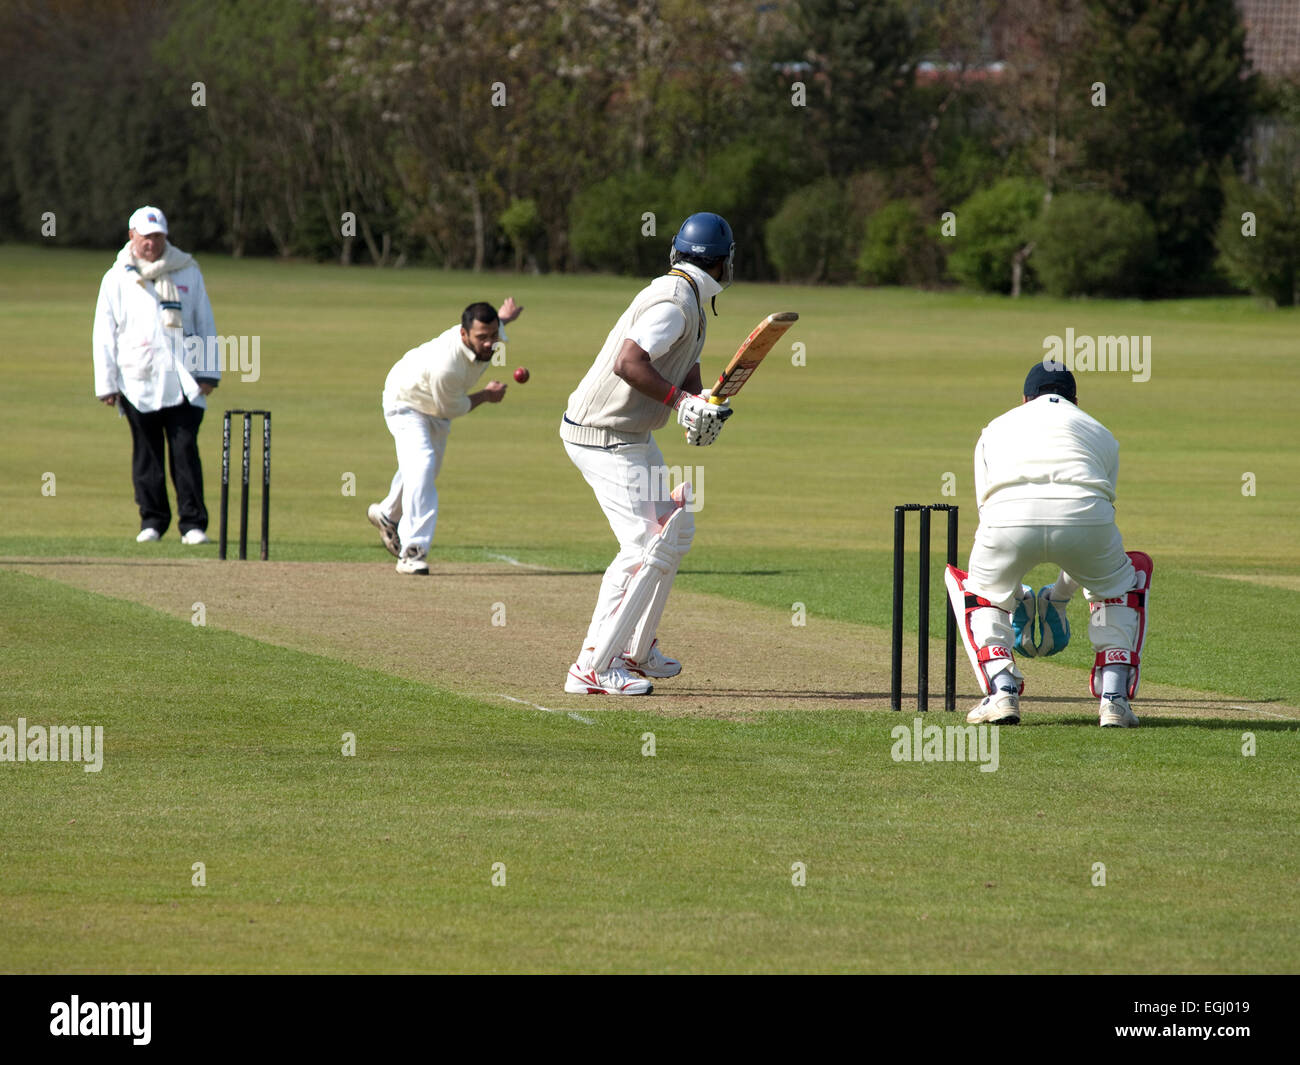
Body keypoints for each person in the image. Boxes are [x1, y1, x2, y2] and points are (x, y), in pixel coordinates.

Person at [559, 213, 737, 695]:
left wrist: (699, 400)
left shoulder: (690, 297)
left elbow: (684, 360)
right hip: (603, 435)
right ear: (722, 263)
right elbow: (628, 363)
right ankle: (593, 667)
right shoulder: (676, 302)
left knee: (675, 532)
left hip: (630, 434)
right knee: (643, 546)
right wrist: (680, 404)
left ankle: (637, 652)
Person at [945, 363, 1151, 728]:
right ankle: (1114, 699)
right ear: (1075, 400)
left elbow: (986, 508)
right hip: (1086, 522)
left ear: (1024, 399)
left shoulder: (994, 428)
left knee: (980, 591)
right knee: (1118, 585)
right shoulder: (1100, 431)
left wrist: (1008, 587)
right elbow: (1093, 511)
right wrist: (1060, 594)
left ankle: (1002, 690)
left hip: (1008, 519)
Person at [93, 206, 219, 543]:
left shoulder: (187, 270)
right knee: (146, 454)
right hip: (136, 379)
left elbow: (204, 322)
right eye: (147, 237)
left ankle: (192, 524)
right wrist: (106, 384)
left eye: (158, 237)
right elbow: (105, 333)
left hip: (184, 379)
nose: (152, 243)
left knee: (185, 451)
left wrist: (208, 373)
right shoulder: (116, 277)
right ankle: (152, 521)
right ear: (132, 236)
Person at [367, 299, 522, 575]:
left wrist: (504, 318)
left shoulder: (490, 333)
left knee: (423, 469)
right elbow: (450, 408)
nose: (489, 344)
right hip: (406, 401)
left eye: (493, 336)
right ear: (464, 334)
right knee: (423, 463)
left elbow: (493, 326)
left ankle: (387, 514)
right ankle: (412, 552)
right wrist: (486, 395)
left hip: (434, 404)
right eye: (481, 338)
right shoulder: (447, 366)